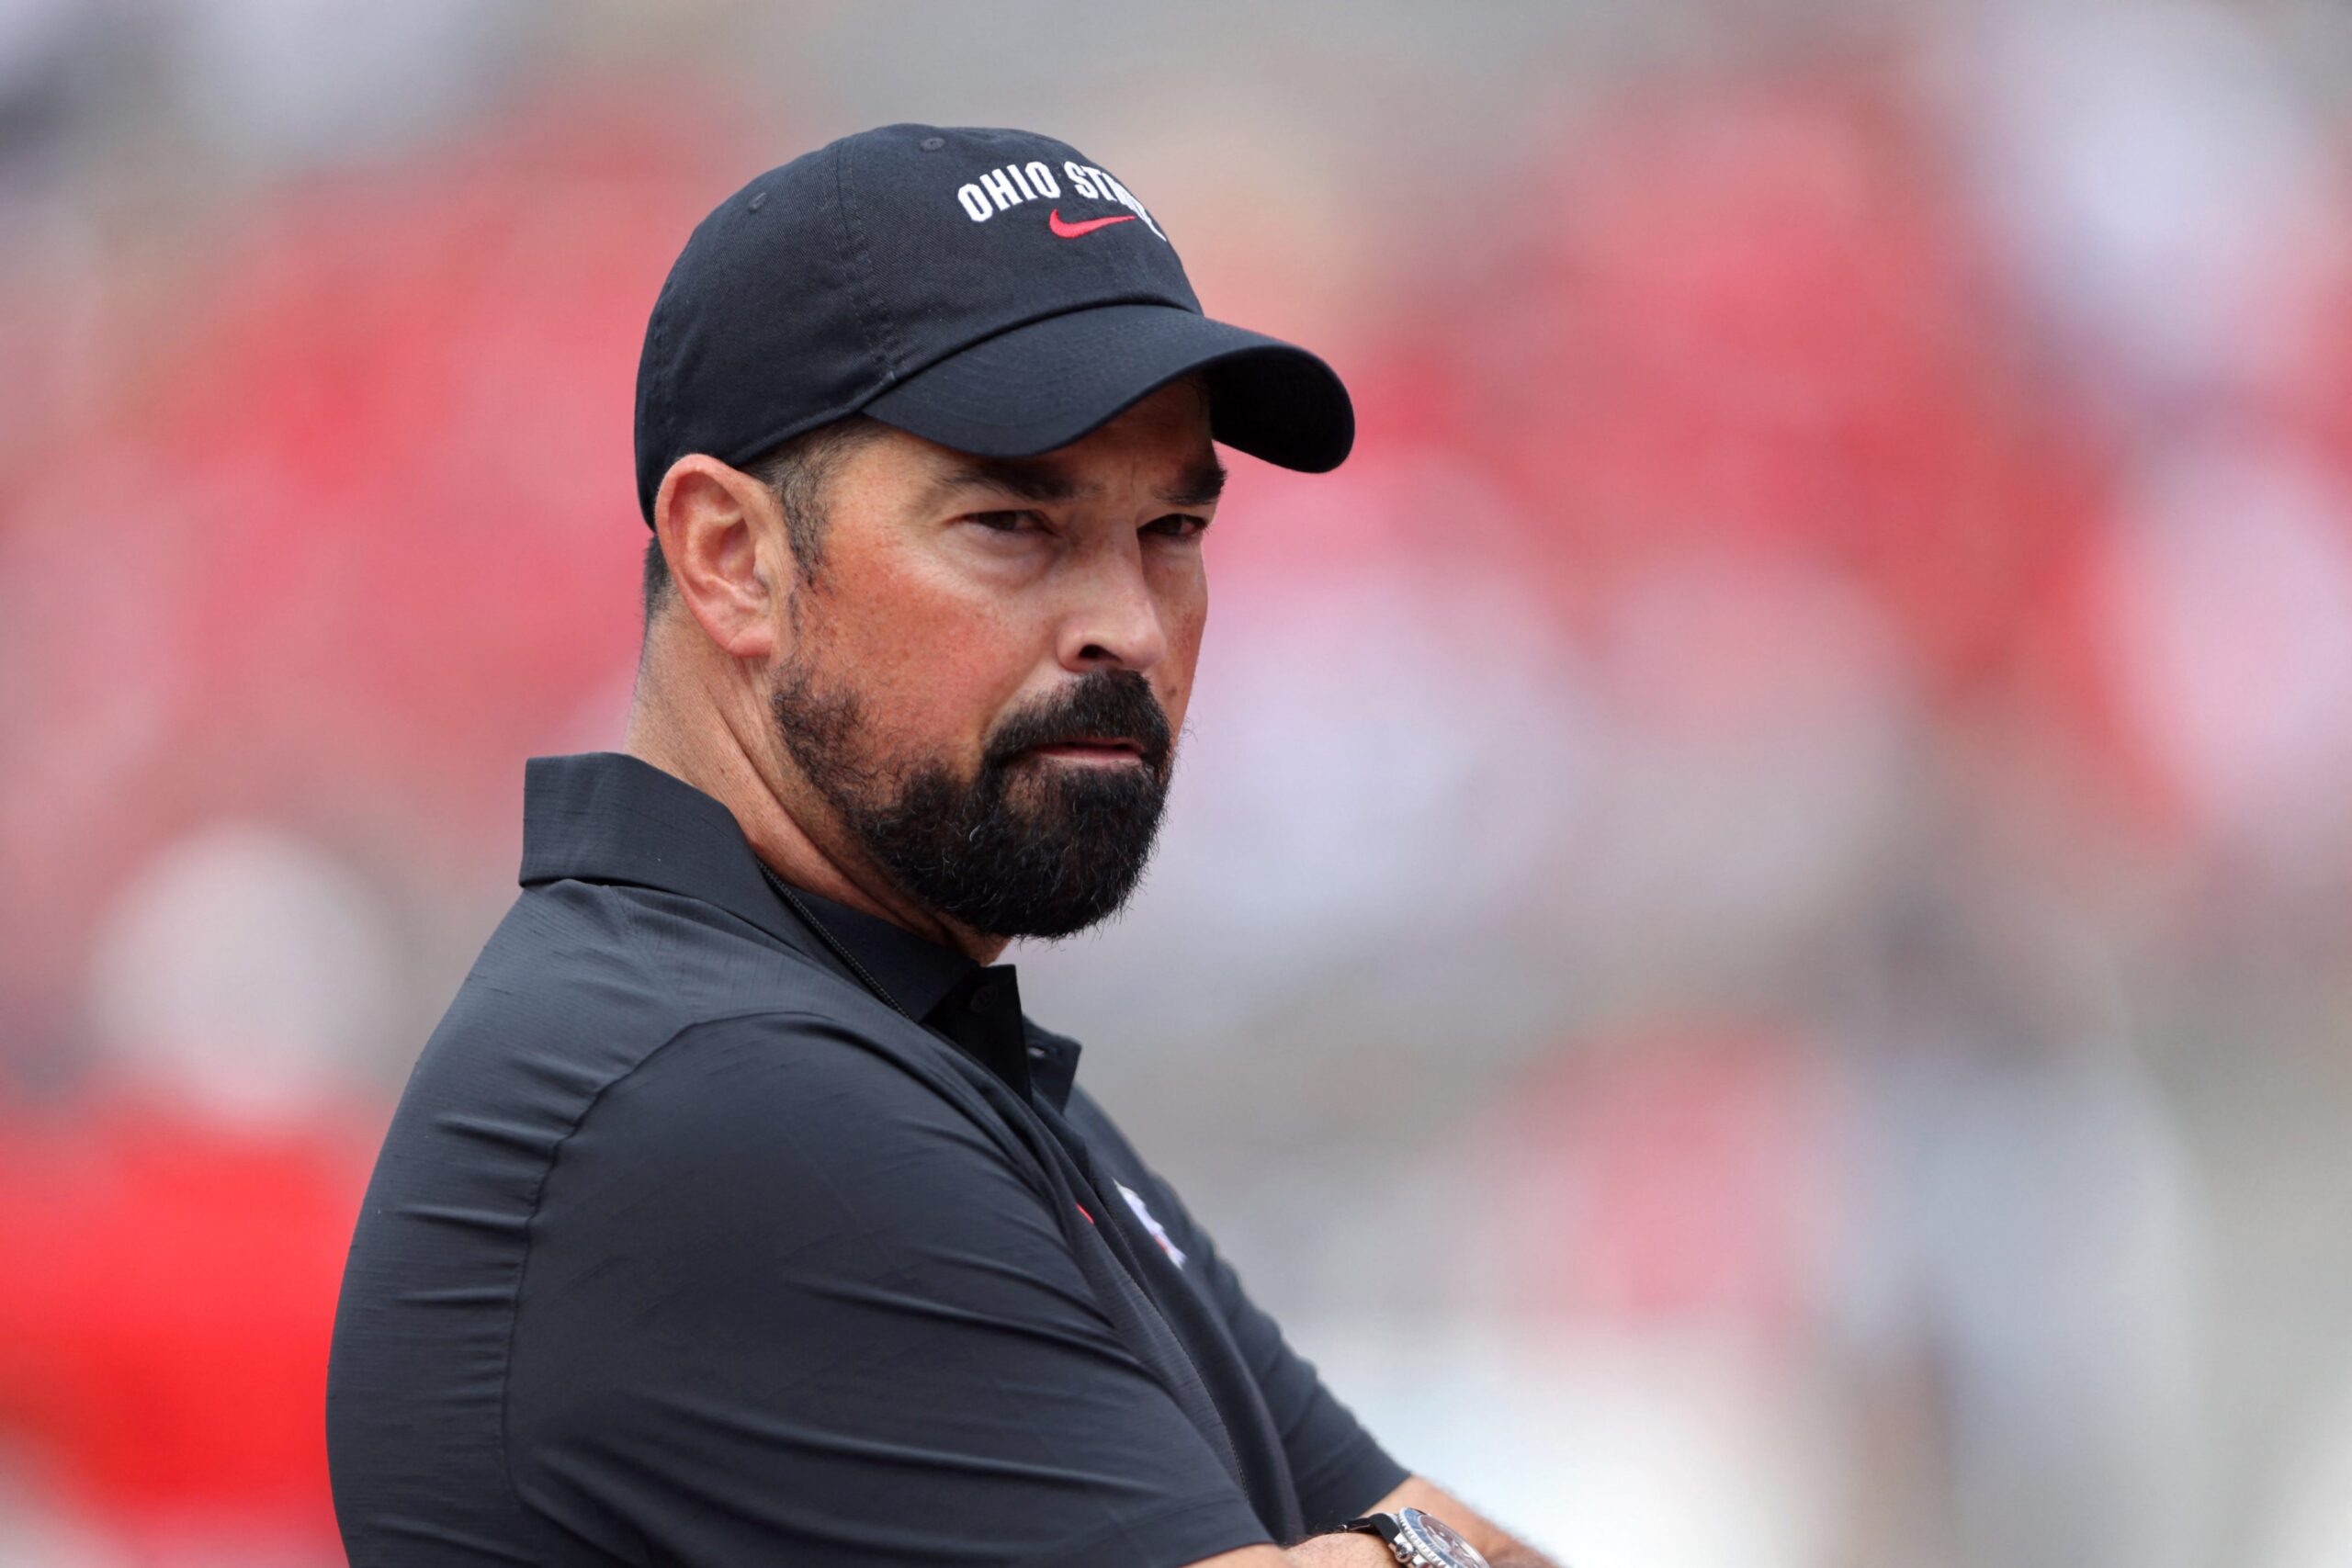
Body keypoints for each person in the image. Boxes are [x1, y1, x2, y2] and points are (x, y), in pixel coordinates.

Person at [326, 123, 1555, 1568]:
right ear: (732, 557)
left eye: (1172, 528)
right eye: (1012, 522)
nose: (1130, 626)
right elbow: (1429, 1535)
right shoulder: (717, 1096)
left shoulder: (890, 1039)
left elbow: (1413, 1523)